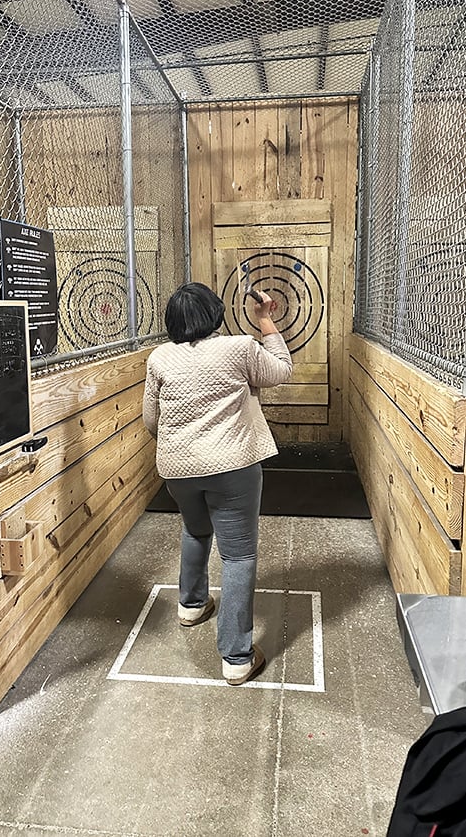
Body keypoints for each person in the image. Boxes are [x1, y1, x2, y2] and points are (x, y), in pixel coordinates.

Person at [142, 281, 292, 685]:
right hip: (233, 467)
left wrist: (182, 450)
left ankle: (191, 605)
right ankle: (236, 657)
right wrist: (265, 321)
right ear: (215, 315)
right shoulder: (239, 348)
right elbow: (281, 370)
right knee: (239, 556)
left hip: (177, 469)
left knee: (195, 530)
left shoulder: (160, 358)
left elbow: (151, 421)